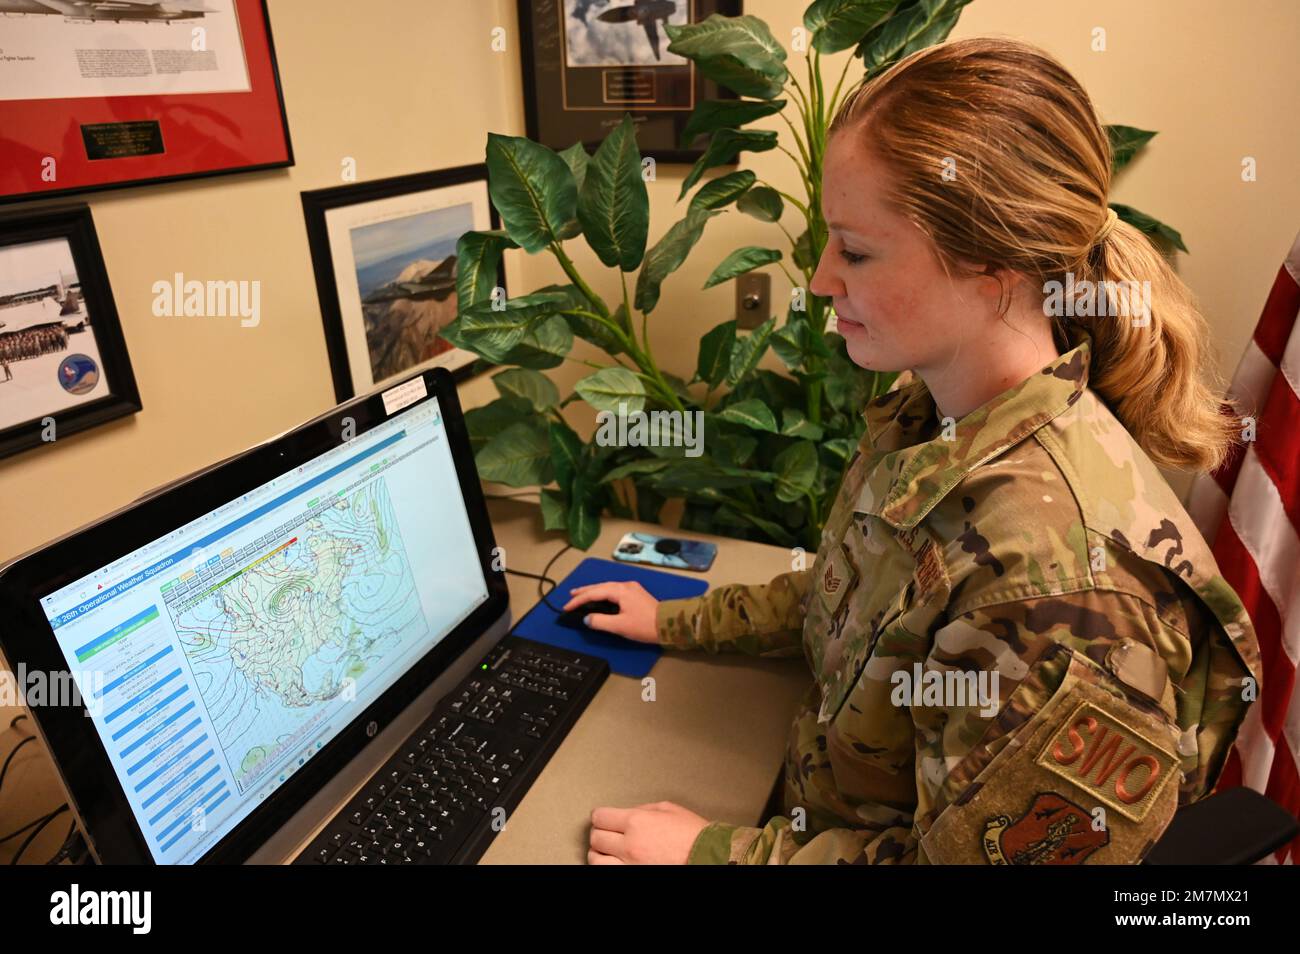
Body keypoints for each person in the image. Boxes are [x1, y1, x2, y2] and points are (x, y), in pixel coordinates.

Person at [569, 36, 1262, 865]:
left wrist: (712, 855)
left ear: (991, 266)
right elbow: (848, 598)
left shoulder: (1058, 591)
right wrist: (674, 620)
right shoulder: (929, 415)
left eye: (856, 251)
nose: (823, 279)